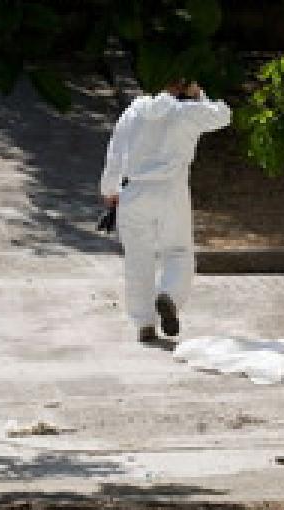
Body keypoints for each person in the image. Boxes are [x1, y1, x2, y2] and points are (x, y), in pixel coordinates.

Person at [99, 78, 231, 342]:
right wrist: (198, 94)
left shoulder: (133, 111)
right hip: (172, 190)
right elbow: (223, 116)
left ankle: (144, 323)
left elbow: (115, 154)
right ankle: (168, 295)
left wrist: (110, 190)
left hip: (135, 191)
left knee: (138, 258)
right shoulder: (186, 112)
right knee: (178, 251)